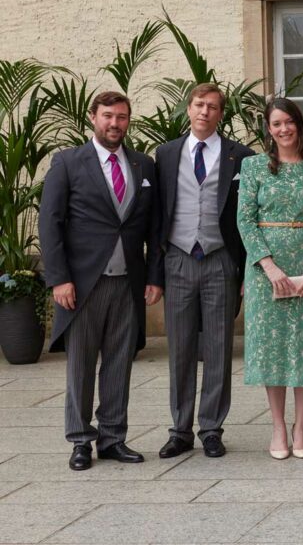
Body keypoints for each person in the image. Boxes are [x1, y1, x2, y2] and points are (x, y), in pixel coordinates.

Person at [39, 91, 164, 471]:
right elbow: (50, 223)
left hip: (128, 282)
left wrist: (154, 276)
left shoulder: (143, 165)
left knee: (119, 364)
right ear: (93, 117)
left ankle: (112, 439)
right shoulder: (67, 162)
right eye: (108, 116)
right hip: (83, 285)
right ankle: (80, 440)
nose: (115, 123)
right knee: (80, 365)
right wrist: (59, 279)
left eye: (122, 117)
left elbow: (153, 227)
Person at [155, 83, 255, 459]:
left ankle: (211, 427)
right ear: (189, 108)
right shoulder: (166, 154)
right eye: (199, 105)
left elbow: (249, 215)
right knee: (180, 348)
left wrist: (246, 269)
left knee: (218, 347)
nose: (205, 112)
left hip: (220, 257)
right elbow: (156, 214)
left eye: (213, 107)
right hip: (178, 257)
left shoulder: (241, 156)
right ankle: (180, 430)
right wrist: (155, 272)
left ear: (221, 114)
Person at [236, 98, 303, 459]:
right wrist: (268, 266)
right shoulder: (254, 166)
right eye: (276, 124)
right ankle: (278, 426)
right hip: (268, 270)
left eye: (289, 122)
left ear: (299, 123)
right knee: (274, 347)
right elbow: (245, 219)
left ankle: (301, 427)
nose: (284, 129)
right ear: (268, 129)